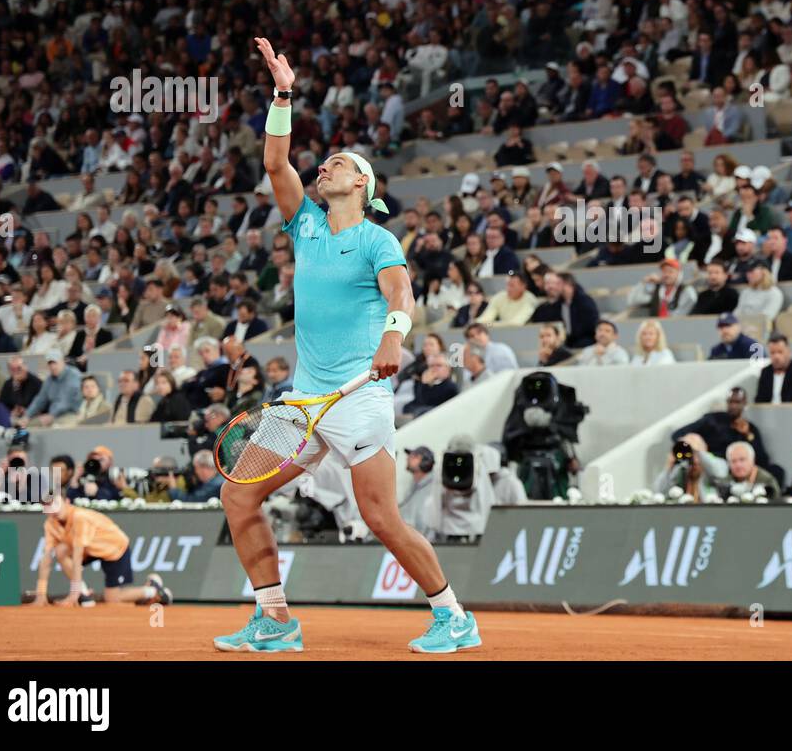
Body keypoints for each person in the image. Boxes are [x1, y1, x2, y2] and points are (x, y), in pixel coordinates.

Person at [211, 38, 479, 656]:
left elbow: (402, 296)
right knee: (238, 493)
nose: (322, 166)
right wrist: (282, 95)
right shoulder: (303, 221)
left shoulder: (378, 239)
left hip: (358, 398)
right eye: (323, 161)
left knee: (381, 517)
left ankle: (453, 616)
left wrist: (394, 337)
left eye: (336, 162)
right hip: (303, 396)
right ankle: (275, 620)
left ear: (361, 181)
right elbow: (276, 162)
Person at [32, 492, 174, 606]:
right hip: (91, 550)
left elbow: (77, 556)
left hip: (114, 548)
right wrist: (41, 594)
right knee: (60, 550)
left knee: (112, 599)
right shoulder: (50, 524)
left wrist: (73, 593)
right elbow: (46, 558)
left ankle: (153, 590)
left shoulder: (79, 517)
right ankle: (84, 593)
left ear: (67, 502)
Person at [670, 386, 775, 474]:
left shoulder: (750, 429)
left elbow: (763, 461)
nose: (733, 406)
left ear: (744, 404)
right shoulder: (712, 420)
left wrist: (748, 435)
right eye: (730, 402)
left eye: (737, 402)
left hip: (732, 468)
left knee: (776, 470)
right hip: (705, 462)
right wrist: (693, 443)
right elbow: (677, 435)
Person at [754, 334, 792, 403]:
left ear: (789, 352)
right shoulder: (765, 372)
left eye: (780, 352)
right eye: (772, 353)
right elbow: (760, 400)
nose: (776, 356)